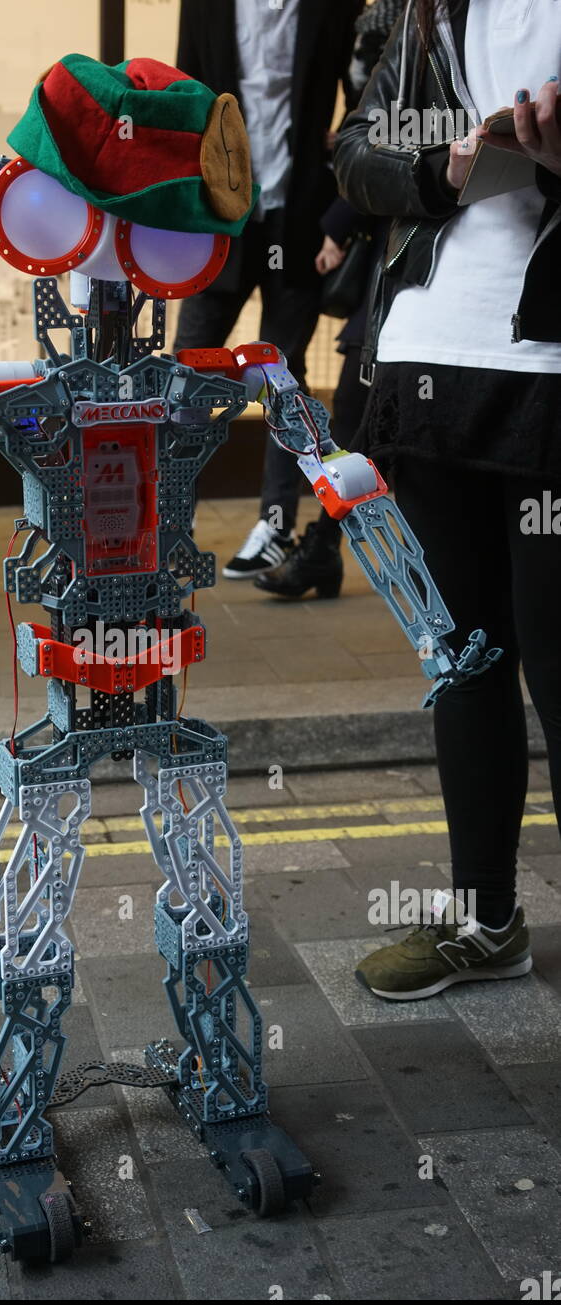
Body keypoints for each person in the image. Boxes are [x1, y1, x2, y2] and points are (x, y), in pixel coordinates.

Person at [333, 0, 561, 999]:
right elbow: (354, 147)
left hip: (547, 372)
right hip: (427, 365)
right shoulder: (431, 5)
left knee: (557, 664)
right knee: (464, 661)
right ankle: (485, 921)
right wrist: (440, 170)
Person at [173, 0, 363, 580]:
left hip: (298, 220)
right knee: (186, 377)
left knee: (284, 379)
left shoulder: (334, 8)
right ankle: (164, 524)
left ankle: (275, 525)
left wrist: (340, 216)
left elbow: (367, 109)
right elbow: (185, 100)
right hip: (222, 220)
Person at [257, 0, 410, 601]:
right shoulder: (377, 18)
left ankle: (329, 547)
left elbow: (391, 136)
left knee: (361, 412)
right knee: (354, 412)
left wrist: (339, 222)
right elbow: (371, 129)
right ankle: (325, 547)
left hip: (410, 242)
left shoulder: (421, 24)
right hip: (389, 244)